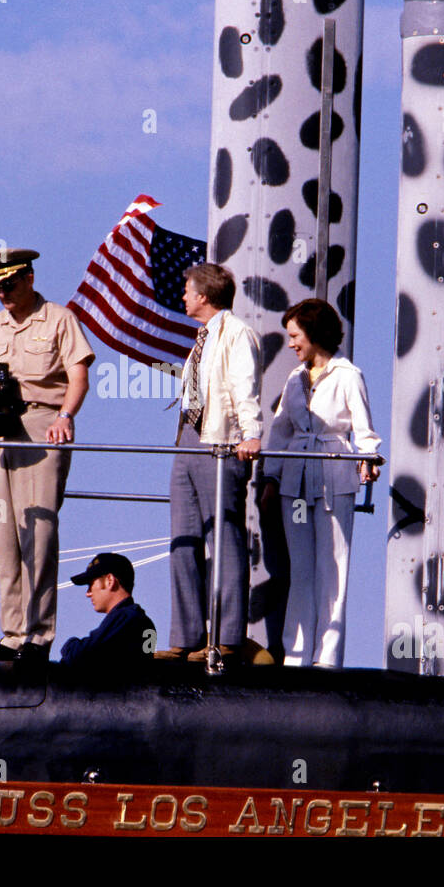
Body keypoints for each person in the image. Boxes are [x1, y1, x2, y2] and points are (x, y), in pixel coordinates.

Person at [0, 247, 94, 661]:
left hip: (41, 426)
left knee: (37, 531)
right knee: (5, 536)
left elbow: (79, 376)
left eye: (8, 284)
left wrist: (66, 416)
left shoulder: (59, 319)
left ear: (29, 279)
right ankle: (12, 632)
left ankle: (38, 635)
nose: (2, 293)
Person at [260, 299, 382, 668]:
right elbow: (280, 431)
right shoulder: (294, 379)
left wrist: (368, 457)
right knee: (301, 568)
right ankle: (296, 655)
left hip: (333, 478)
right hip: (295, 483)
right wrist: (270, 478)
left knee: (333, 568)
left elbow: (364, 429)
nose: (292, 343)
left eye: (296, 336)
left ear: (314, 333)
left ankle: (327, 658)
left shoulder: (348, 375)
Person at [160, 263, 261, 664]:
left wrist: (251, 433)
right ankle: (185, 635)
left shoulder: (237, 333)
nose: (183, 295)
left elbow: (243, 385)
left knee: (224, 539)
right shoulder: (201, 337)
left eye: (187, 289)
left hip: (220, 439)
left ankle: (228, 635)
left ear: (203, 295)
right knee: (183, 540)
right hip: (188, 438)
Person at [59, 553, 155, 671]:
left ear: (110, 581)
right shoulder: (143, 621)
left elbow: (79, 656)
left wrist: (70, 645)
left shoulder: (126, 618)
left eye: (90, 584)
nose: (88, 593)